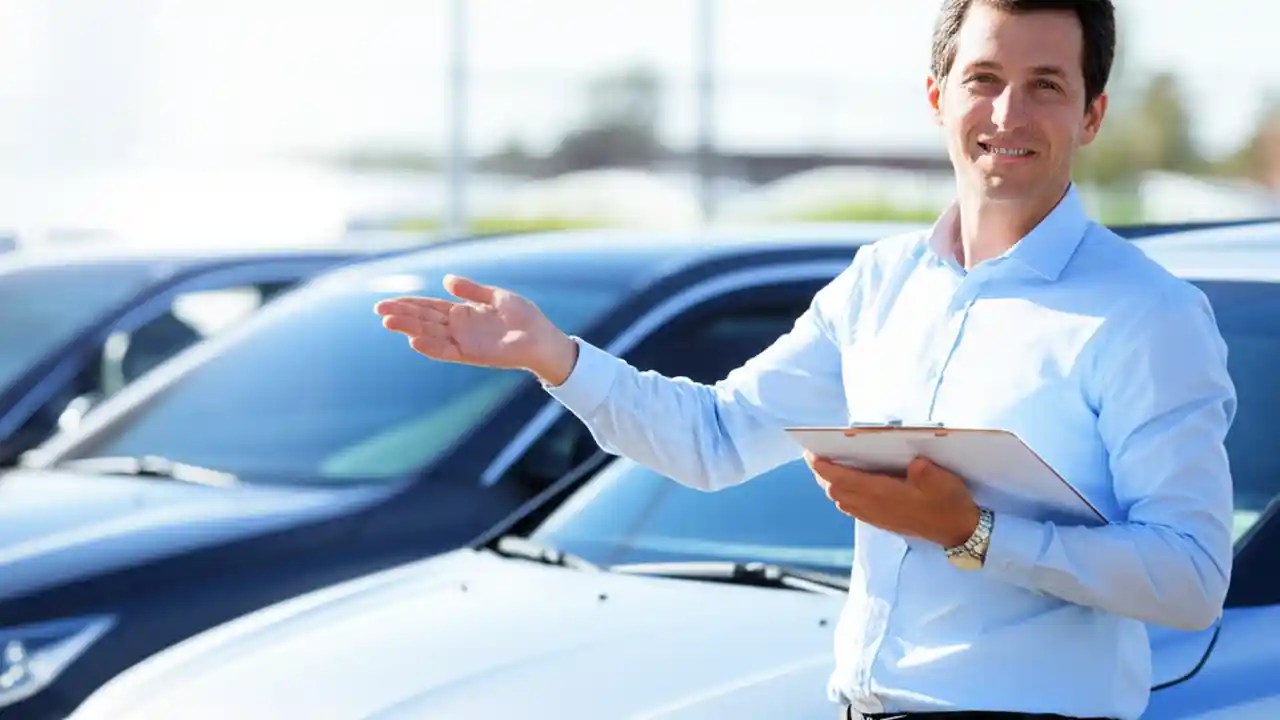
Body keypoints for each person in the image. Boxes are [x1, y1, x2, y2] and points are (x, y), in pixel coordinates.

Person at [374, 1, 1236, 718]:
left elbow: (1192, 578)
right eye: (984, 79)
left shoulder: (1147, 315)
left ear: (1091, 113)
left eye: (1045, 86)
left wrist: (971, 535)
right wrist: (555, 357)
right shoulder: (880, 284)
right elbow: (716, 440)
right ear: (937, 97)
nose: (1008, 115)